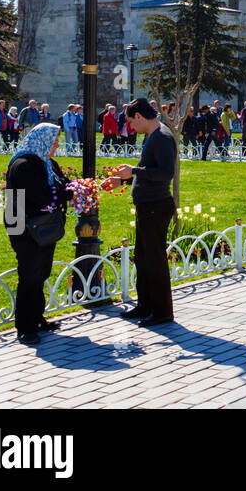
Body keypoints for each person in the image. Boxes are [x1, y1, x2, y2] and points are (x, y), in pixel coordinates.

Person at [102, 98, 178, 326]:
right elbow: (149, 172)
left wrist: (133, 171)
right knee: (143, 259)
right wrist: (124, 181)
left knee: (155, 260)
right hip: (147, 205)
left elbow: (165, 173)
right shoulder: (152, 136)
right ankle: (145, 305)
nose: (130, 128)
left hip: (156, 206)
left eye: (130, 122)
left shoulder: (162, 137)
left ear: (140, 117)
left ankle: (162, 311)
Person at [4, 122, 72, 345]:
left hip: (43, 226)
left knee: (41, 271)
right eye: (53, 141)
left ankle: (37, 317)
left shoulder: (46, 163)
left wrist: (75, 188)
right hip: (23, 227)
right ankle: (25, 327)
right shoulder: (24, 165)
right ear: (41, 140)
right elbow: (41, 196)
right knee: (29, 273)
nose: (56, 145)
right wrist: (68, 194)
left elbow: (62, 184)